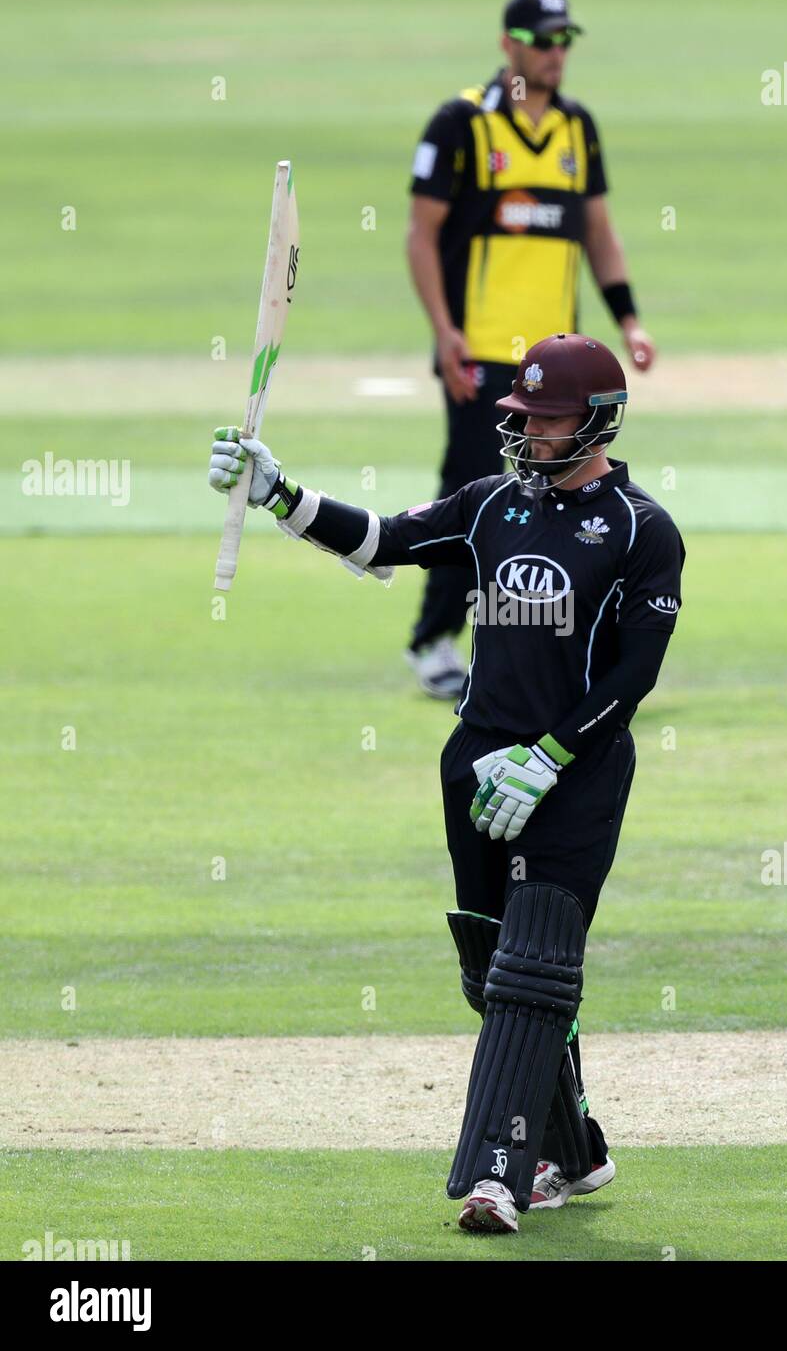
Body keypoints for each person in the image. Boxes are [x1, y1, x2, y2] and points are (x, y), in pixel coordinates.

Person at [208, 333, 683, 1234]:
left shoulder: (640, 530)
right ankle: (577, 1152)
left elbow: (636, 675)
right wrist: (279, 492)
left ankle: (499, 1178)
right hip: (474, 767)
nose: (527, 433)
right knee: (492, 970)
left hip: (572, 778)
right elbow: (384, 543)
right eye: (523, 417)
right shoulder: (492, 505)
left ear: (597, 423)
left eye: (545, 420)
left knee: (533, 970)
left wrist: (549, 756)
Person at [404, 0, 655, 699]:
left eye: (563, 40)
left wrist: (629, 318)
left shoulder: (578, 129)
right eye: (542, 40)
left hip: (556, 364)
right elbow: (420, 236)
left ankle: (553, 644)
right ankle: (432, 642)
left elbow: (599, 233)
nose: (554, 54)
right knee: (476, 497)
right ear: (508, 43)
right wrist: (444, 331)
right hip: (479, 353)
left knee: (569, 495)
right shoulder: (463, 123)